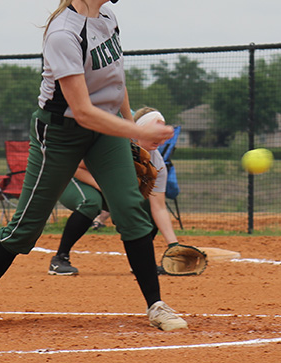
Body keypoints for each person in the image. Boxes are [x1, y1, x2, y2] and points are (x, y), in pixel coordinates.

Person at [0, 0, 188, 333]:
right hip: (60, 134)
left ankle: (157, 305)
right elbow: (81, 110)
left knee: (132, 210)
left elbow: (116, 81)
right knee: (25, 227)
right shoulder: (63, 33)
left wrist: (131, 129)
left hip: (107, 131)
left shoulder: (109, 17)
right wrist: (137, 130)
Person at [49, 107, 182, 276]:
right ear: (139, 128)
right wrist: (107, 188)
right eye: (155, 129)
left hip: (108, 186)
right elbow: (77, 167)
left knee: (147, 208)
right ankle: (59, 259)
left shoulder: (157, 163)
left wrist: (173, 245)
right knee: (91, 202)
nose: (160, 136)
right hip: (73, 179)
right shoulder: (117, 146)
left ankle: (141, 262)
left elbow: (159, 208)